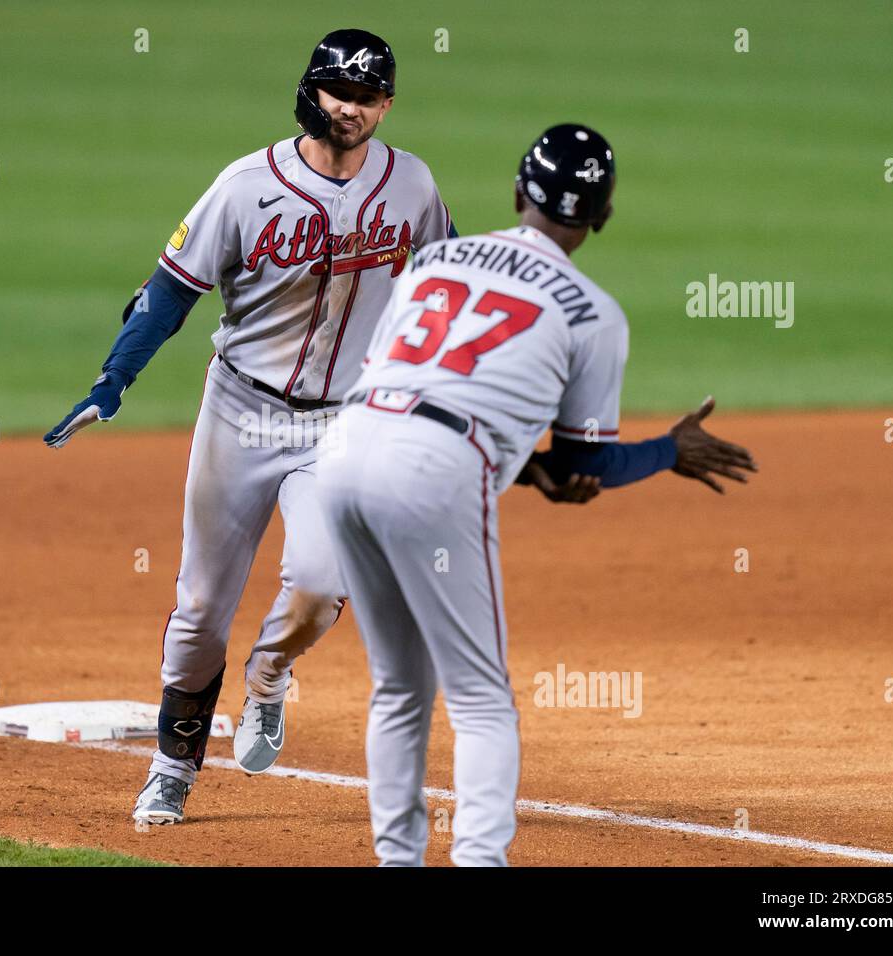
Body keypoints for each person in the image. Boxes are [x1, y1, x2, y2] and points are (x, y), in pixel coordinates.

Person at [43, 29, 458, 825]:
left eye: (369, 98)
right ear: (312, 91)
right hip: (242, 412)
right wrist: (114, 378)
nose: (353, 110)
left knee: (321, 584)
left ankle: (268, 680)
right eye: (341, 93)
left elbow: (443, 284)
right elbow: (169, 292)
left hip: (344, 426)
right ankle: (172, 766)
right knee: (201, 607)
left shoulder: (412, 185)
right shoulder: (244, 186)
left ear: (388, 106)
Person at [317, 123, 757, 865]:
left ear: (519, 193)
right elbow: (588, 464)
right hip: (434, 470)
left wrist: (534, 469)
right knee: (483, 701)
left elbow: (413, 386)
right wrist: (667, 450)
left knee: (398, 685)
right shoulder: (594, 312)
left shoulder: (436, 259)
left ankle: (398, 862)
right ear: (602, 217)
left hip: (345, 447)